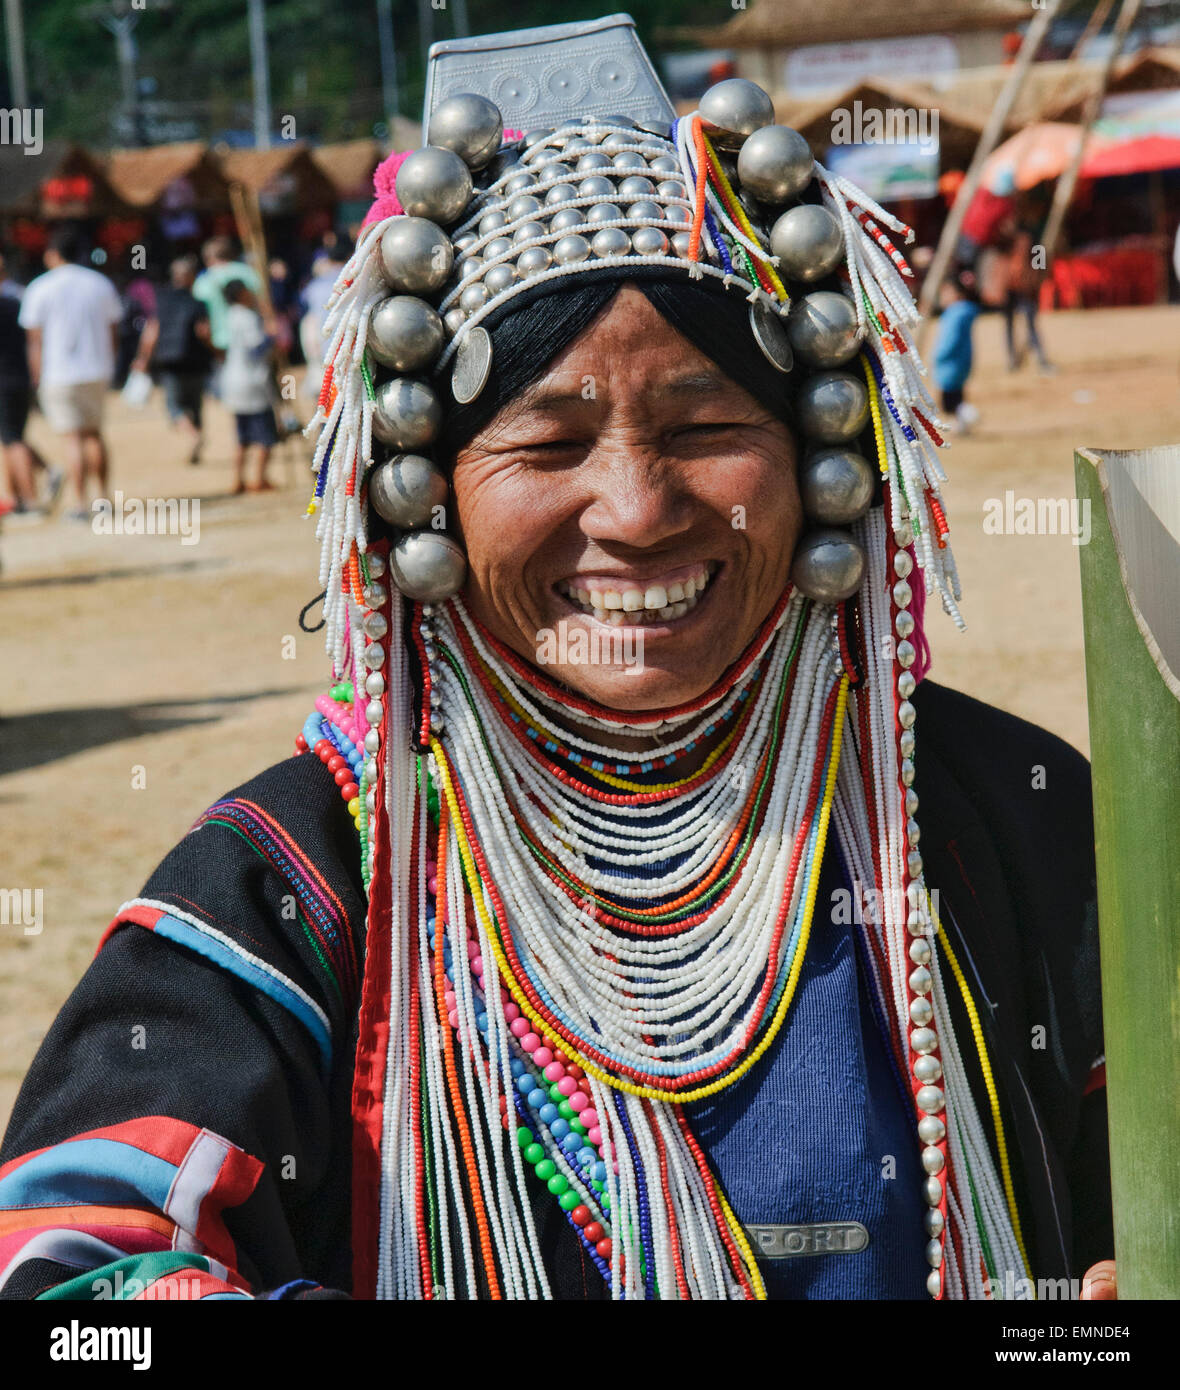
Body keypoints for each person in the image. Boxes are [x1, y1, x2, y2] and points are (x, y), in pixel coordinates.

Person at [0, 29, 1115, 1304]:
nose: (636, 511)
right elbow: (64, 1279)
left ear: (820, 463)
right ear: (427, 506)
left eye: (705, 428)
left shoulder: (989, 810)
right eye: (546, 445)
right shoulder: (304, 878)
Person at [17, 225, 122, 519]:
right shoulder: (101, 283)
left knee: (72, 438)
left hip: (59, 373)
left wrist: (36, 377)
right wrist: (109, 363)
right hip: (97, 368)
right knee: (95, 435)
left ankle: (80, 503)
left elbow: (34, 341)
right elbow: (114, 332)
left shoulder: (40, 287)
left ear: (53, 254)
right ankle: (103, 498)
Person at [132, 255, 212, 465]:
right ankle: (196, 438)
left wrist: (143, 359)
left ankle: (193, 436)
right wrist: (217, 353)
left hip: (171, 361)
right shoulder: (198, 303)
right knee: (196, 407)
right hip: (196, 361)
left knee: (174, 407)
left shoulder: (162, 300)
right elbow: (204, 332)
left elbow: (152, 331)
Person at [220, 278, 277, 493]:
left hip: (233, 380)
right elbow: (256, 349)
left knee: (242, 436)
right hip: (252, 382)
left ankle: (238, 479)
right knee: (265, 434)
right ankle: (259, 479)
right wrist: (271, 335)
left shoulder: (230, 315)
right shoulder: (248, 317)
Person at [998, 213, 1054, 374]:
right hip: (1008, 287)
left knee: (1030, 322)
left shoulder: (1028, 239)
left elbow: (1040, 255)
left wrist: (1036, 279)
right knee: (1009, 324)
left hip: (1025, 287)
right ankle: (1011, 360)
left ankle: (1040, 359)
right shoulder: (1001, 243)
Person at [193, 235, 262, 355]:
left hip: (219, 340)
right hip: (252, 335)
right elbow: (262, 302)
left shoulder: (203, 281)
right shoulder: (246, 272)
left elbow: (199, 317)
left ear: (207, 258)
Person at [931, 269, 981, 434]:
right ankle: (962, 424)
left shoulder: (955, 315)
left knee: (949, 400)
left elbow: (949, 339)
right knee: (956, 395)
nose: (943, 297)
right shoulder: (964, 313)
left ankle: (969, 415)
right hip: (961, 362)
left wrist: (940, 355)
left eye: (946, 293)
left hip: (949, 363)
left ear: (957, 294)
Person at [298, 244, 347, 398]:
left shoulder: (314, 286)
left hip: (324, 349)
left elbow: (308, 315)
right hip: (351, 352)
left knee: (328, 405)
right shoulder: (354, 281)